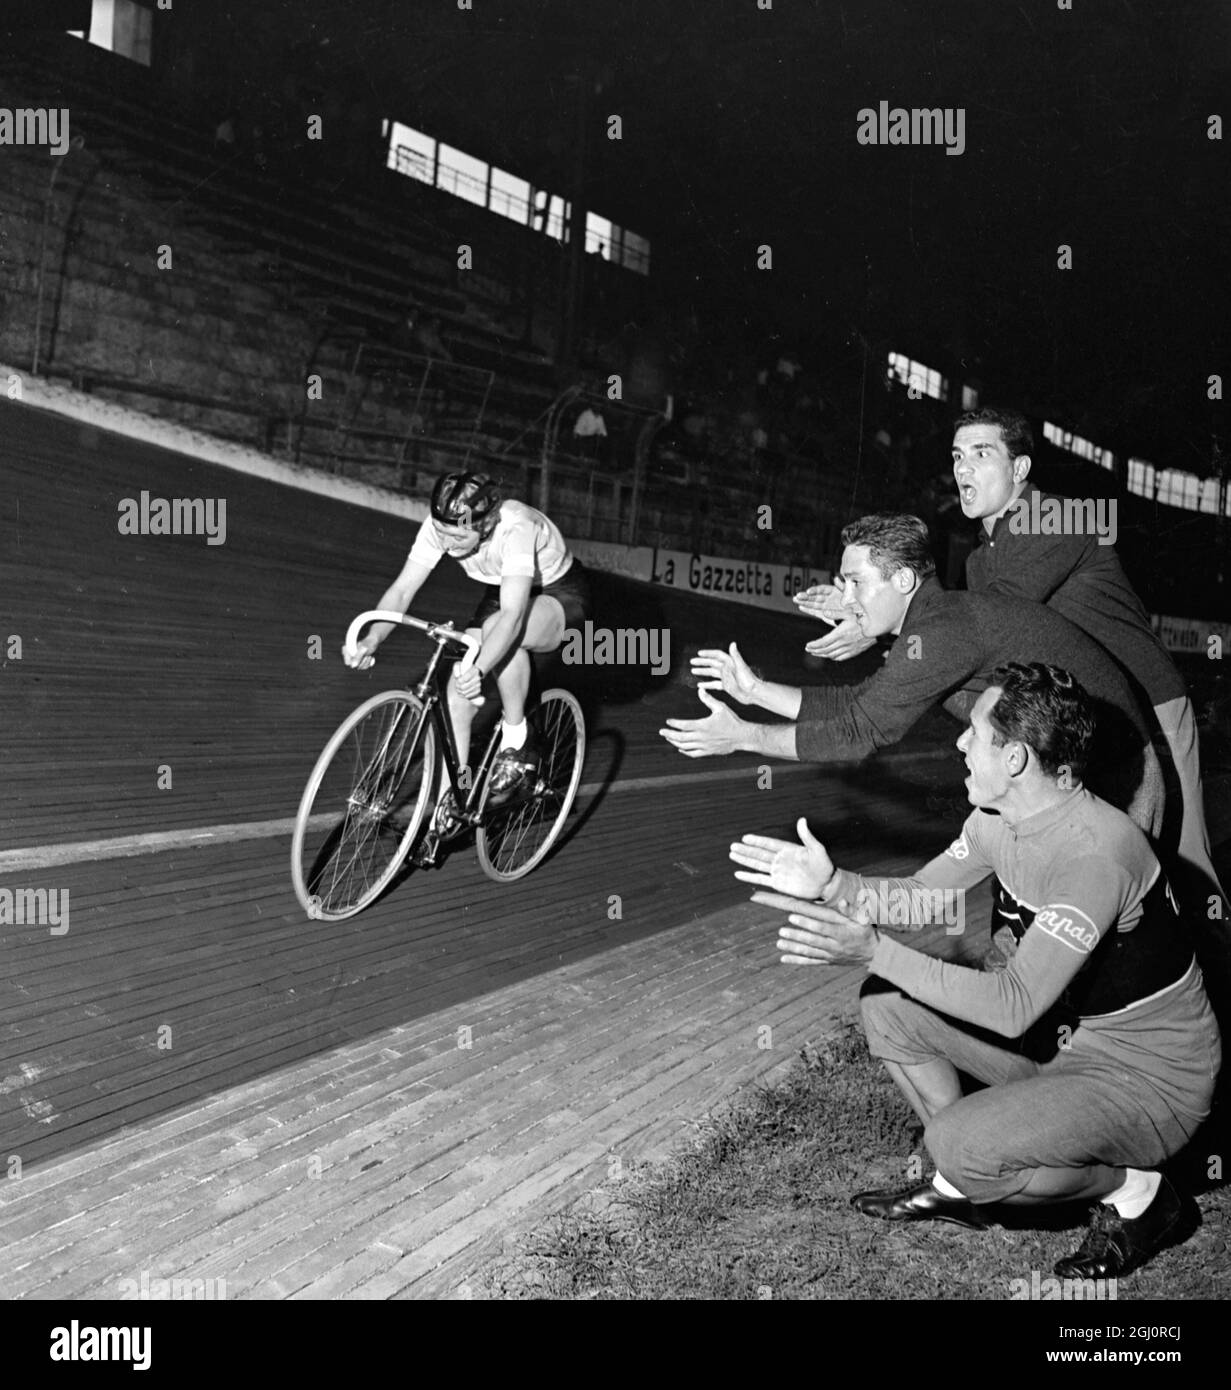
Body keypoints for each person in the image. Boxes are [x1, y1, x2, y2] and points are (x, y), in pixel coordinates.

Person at [731, 663, 1220, 1278]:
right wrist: (833, 885)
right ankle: (963, 1182)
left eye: (975, 733)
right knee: (887, 1004)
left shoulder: (1096, 853)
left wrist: (873, 949)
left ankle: (1140, 1194)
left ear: (1014, 759)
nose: (960, 742)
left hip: (1151, 1080)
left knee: (959, 1140)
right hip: (1068, 1042)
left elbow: (1011, 1004)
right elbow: (921, 897)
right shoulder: (997, 820)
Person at [660, 513, 1165, 834]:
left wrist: (743, 736)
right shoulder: (932, 625)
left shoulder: (942, 633)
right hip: (1081, 770)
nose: (846, 598)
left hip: (1115, 778)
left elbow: (860, 733)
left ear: (903, 580)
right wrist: (755, 690)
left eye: (855, 583)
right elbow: (861, 704)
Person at [950, 406, 1223, 910]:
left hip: (1151, 703)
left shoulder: (1053, 517)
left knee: (1186, 871)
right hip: (1091, 716)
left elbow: (990, 622)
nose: (963, 468)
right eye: (957, 456)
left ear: (1021, 469)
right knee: (1105, 865)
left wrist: (890, 622)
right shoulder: (979, 559)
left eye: (981, 453)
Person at [343, 472, 592, 825]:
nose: (447, 543)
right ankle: (453, 800)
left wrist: (480, 667)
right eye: (442, 534)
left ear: (486, 524)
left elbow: (512, 617)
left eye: (458, 536)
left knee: (494, 639)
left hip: (557, 593)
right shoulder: (443, 525)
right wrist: (372, 638)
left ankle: (518, 736)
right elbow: (401, 591)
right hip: (502, 590)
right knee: (457, 695)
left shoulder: (516, 527)